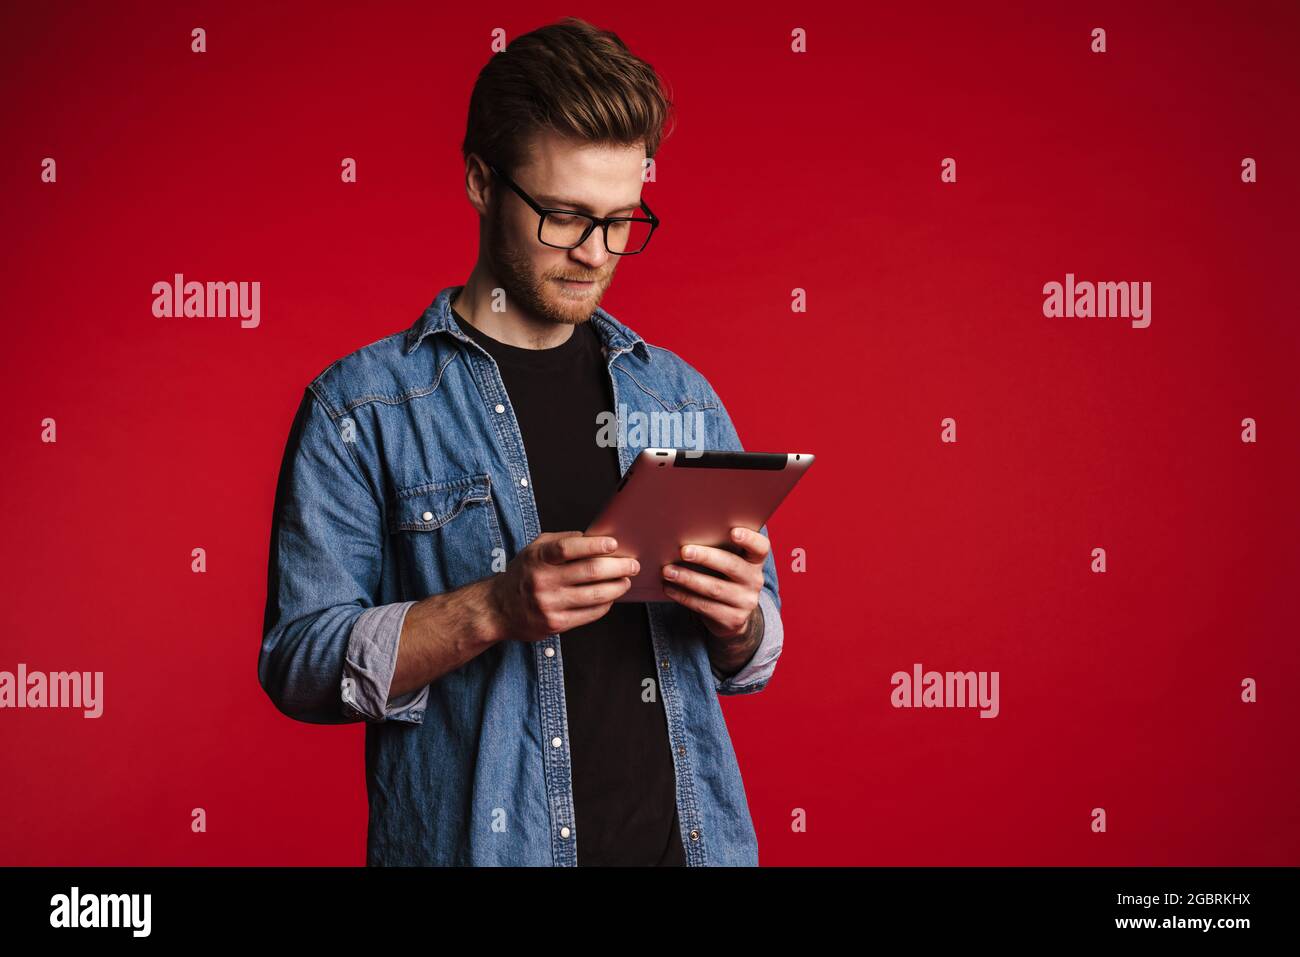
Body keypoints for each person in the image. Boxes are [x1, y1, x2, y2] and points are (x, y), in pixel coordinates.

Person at [259, 16, 785, 866]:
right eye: (565, 217)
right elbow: (299, 662)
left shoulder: (676, 393)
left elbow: (759, 641)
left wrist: (739, 621)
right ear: (479, 181)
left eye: (621, 220)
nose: (596, 253)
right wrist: (493, 609)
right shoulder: (363, 406)